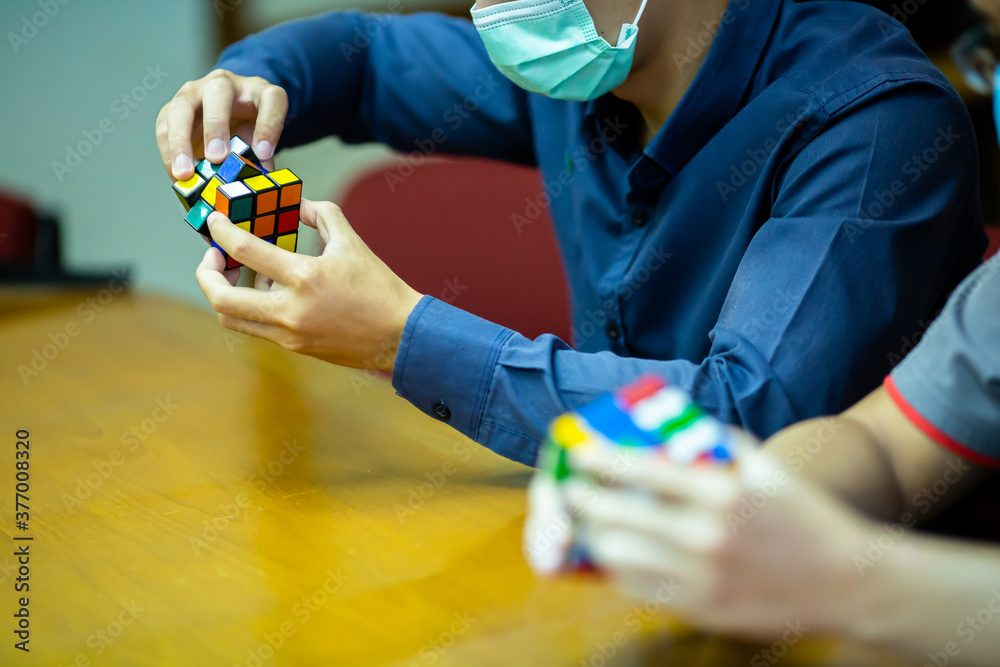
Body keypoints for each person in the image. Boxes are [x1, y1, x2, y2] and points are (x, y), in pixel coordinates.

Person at [156, 0, 985, 467]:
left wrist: (402, 335)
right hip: (604, 542)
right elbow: (368, 57)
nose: (496, 12)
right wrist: (251, 80)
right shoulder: (579, 58)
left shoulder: (873, 119)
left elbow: (748, 420)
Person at [562, 4, 1000, 663]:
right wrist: (737, 505)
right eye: (993, 44)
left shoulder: (876, 110)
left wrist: (850, 579)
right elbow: (883, 446)